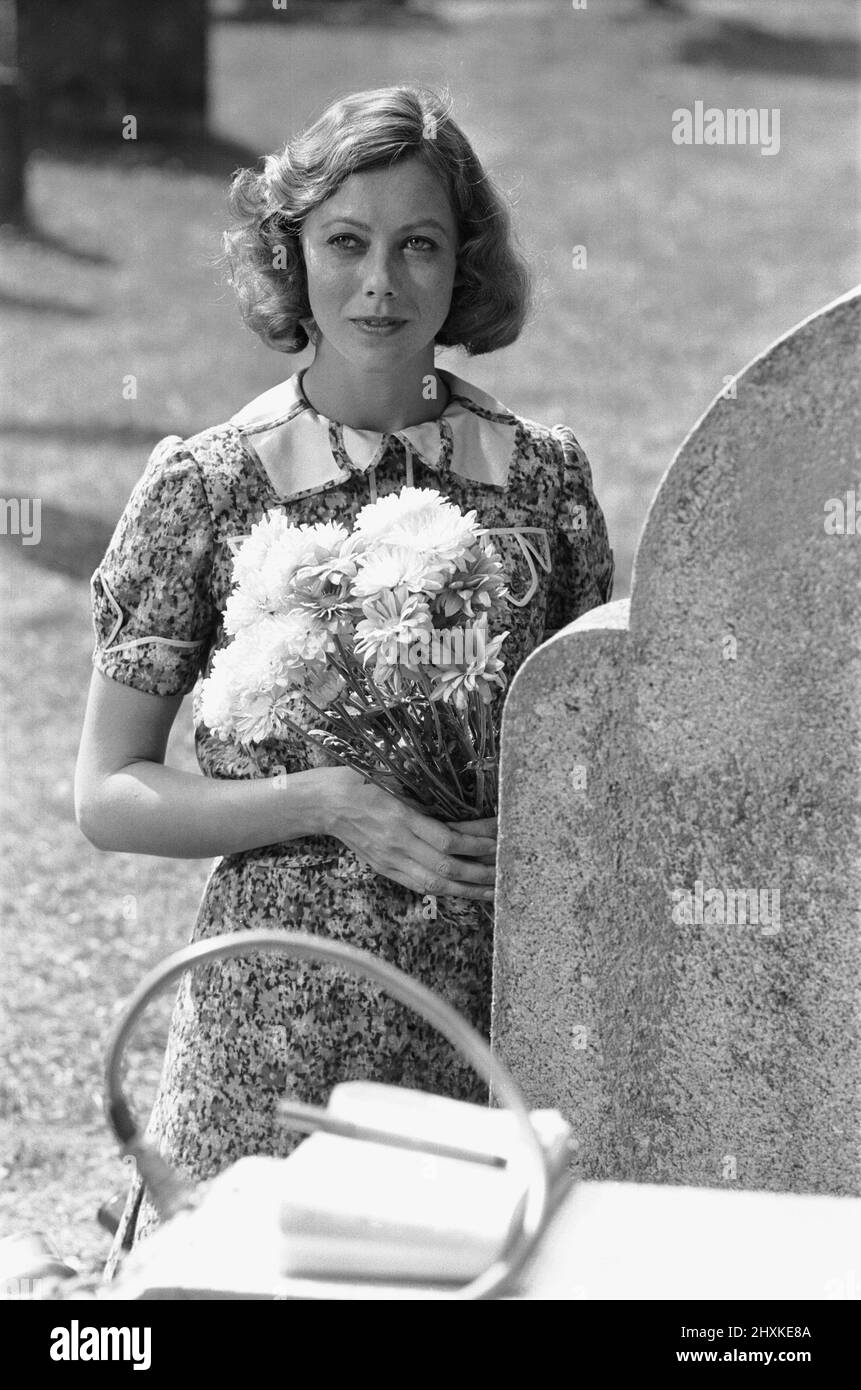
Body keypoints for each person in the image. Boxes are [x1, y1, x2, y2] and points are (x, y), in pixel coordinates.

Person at [75, 85, 614, 1277]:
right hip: (271, 1024)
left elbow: (594, 766)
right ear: (291, 254)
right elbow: (109, 792)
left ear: (463, 263)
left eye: (419, 245)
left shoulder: (547, 486)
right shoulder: (206, 490)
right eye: (346, 244)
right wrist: (326, 802)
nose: (382, 284)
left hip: (489, 1024)